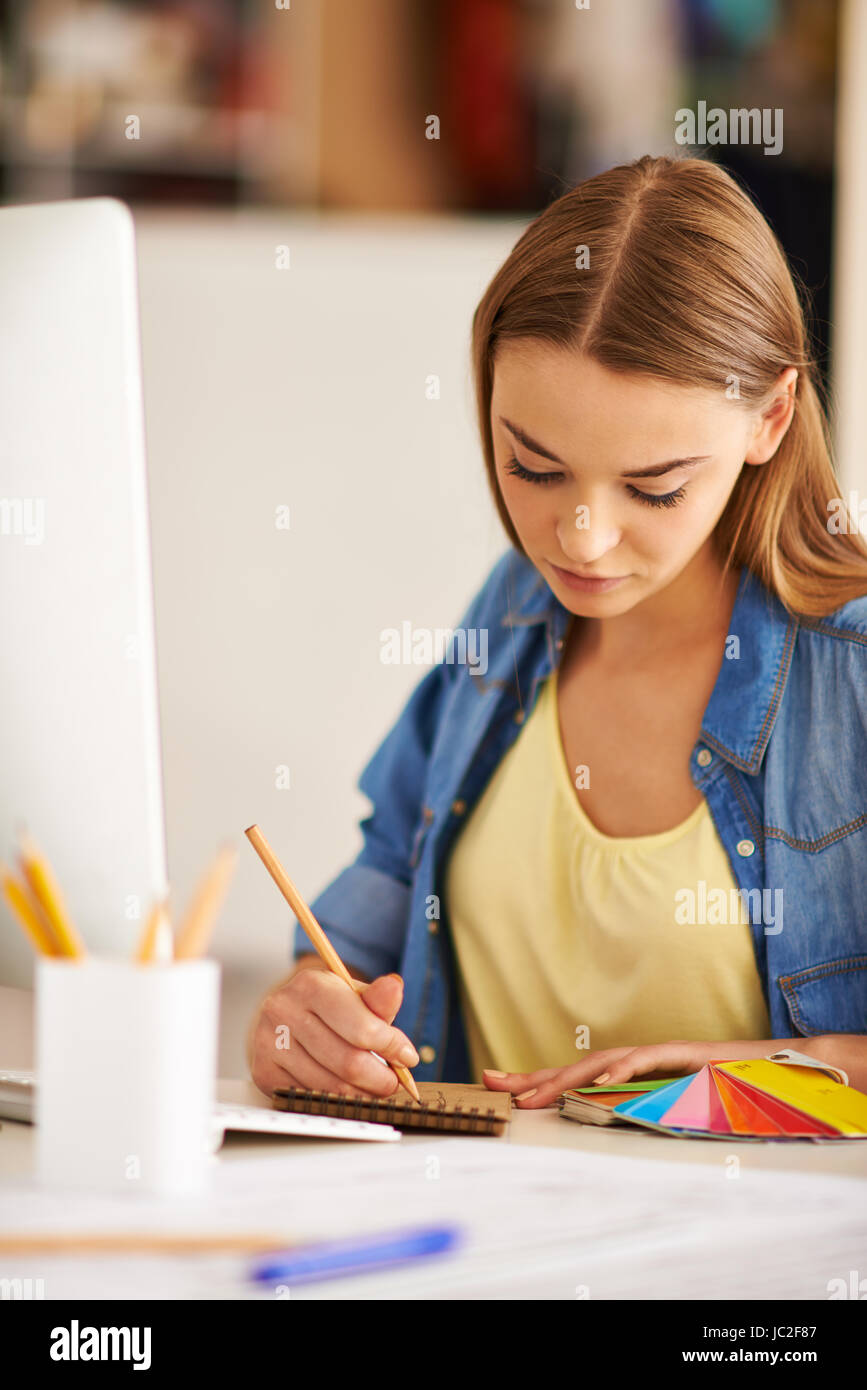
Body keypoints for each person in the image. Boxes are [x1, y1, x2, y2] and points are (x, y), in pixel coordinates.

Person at [248, 154, 867, 1105]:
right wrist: (307, 1017)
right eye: (533, 468)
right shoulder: (512, 608)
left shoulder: (850, 671)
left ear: (771, 416)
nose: (580, 540)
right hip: (478, 1234)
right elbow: (378, 889)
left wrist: (784, 1073)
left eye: (653, 487)